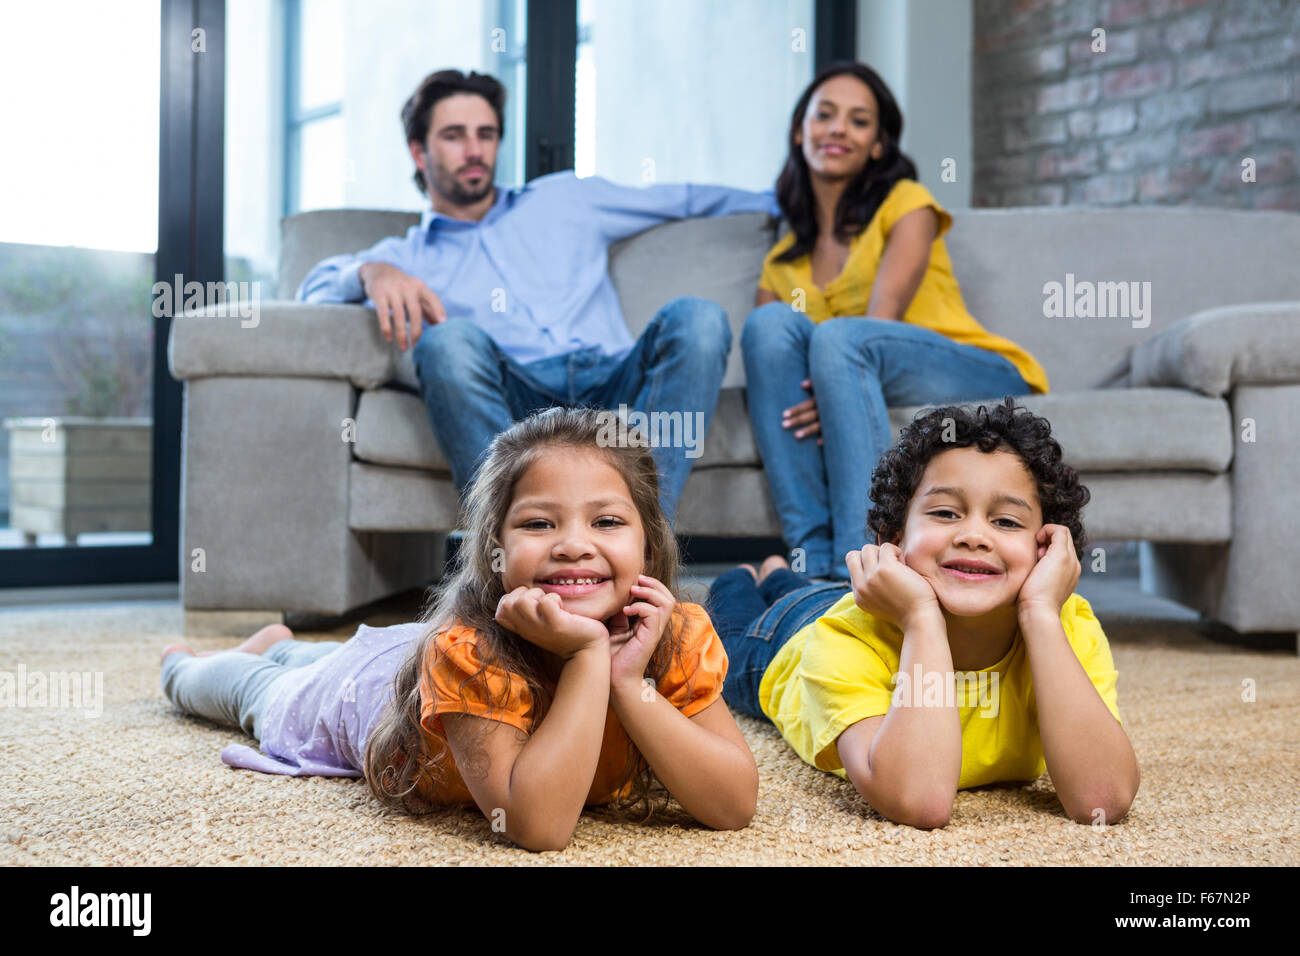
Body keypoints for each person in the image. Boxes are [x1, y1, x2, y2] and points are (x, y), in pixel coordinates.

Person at [160, 407, 757, 852]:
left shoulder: (672, 634)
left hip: (402, 653)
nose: (574, 545)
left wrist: (629, 686)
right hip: (358, 695)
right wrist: (585, 658)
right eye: (539, 523)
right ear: (494, 551)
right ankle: (186, 664)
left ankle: (286, 646)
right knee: (258, 694)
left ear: (648, 547)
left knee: (334, 654)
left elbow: (734, 804)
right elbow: (540, 828)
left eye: (605, 520)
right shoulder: (468, 652)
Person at [296, 69, 780, 521]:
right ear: (419, 153)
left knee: (698, 319)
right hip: (517, 401)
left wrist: (797, 204)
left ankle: (642, 537)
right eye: (454, 135)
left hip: (613, 384)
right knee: (447, 342)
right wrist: (369, 272)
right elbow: (310, 295)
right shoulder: (406, 255)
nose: (474, 149)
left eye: (486, 134)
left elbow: (688, 199)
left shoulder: (566, 197)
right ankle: (511, 550)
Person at [706, 399, 1140, 829]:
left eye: (1006, 522)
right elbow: (919, 801)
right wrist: (920, 618)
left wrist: (1041, 613)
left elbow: (1101, 799)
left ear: (1046, 547)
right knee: (732, 625)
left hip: (879, 597)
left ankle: (780, 572)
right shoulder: (840, 641)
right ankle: (743, 573)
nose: (974, 536)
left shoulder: (1066, 623)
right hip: (785, 639)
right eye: (945, 513)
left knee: (800, 586)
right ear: (894, 537)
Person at [743, 61, 1050, 578]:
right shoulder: (781, 263)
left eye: (859, 121)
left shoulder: (907, 204)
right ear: (801, 132)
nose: (839, 128)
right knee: (766, 325)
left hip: (977, 371)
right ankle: (812, 563)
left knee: (842, 339)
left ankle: (864, 563)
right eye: (825, 115)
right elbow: (774, 371)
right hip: (851, 367)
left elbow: (877, 327)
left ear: (878, 145)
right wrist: (830, 389)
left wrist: (830, 385)